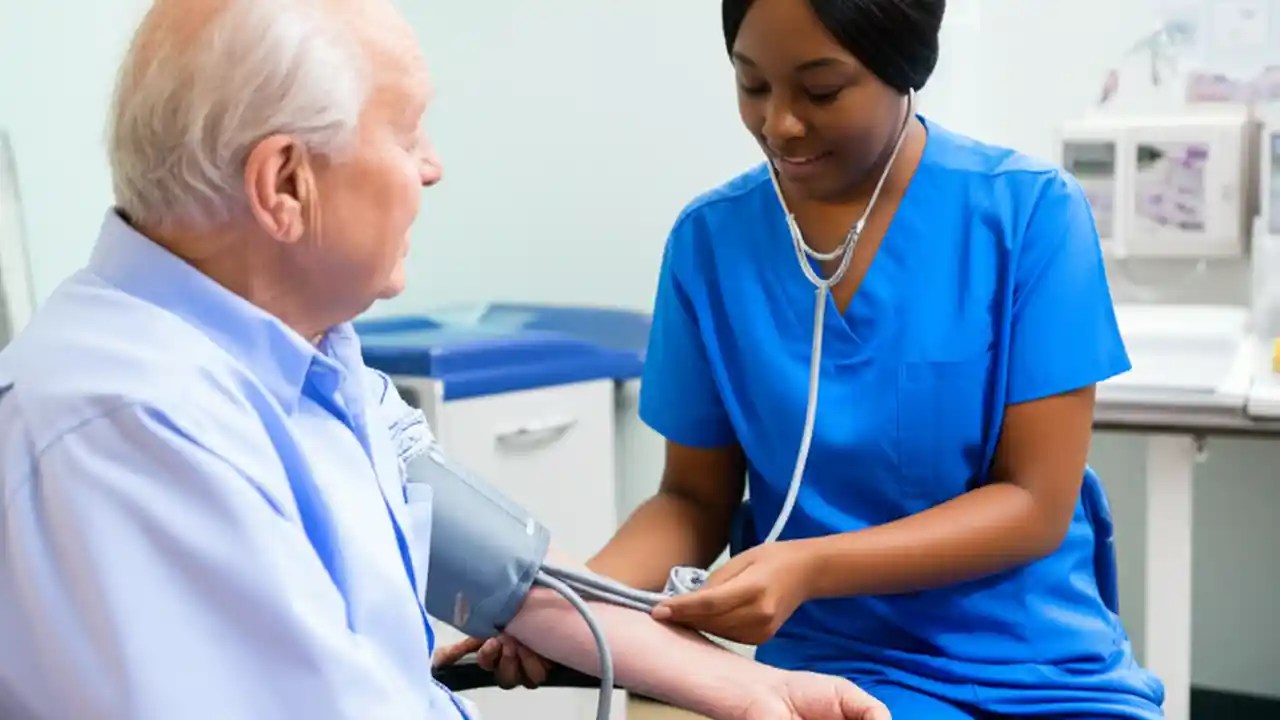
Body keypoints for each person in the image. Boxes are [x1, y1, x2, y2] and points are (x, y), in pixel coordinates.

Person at [0, 1, 893, 719]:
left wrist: (754, 690)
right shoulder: (129, 434)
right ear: (284, 184)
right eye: (405, 134)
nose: (430, 168)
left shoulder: (302, 351)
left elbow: (501, 575)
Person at [436, 0, 1167, 718]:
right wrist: (564, 607)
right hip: (830, 676)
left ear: (903, 66)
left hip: (1037, 667)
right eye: (752, 84)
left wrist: (811, 568)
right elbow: (692, 500)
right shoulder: (710, 243)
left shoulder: (1031, 214)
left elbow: (1036, 505)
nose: (779, 123)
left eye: (821, 90)